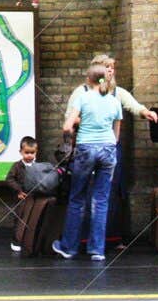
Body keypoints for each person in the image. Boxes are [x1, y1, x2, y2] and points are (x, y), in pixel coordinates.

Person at [65, 52, 157, 244]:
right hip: (93, 145)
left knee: (111, 192)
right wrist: (94, 119)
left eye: (112, 68)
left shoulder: (117, 93)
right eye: (107, 67)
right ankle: (87, 240)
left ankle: (109, 237)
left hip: (106, 147)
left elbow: (133, 105)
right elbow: (70, 118)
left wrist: (145, 112)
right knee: (90, 192)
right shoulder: (81, 92)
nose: (110, 71)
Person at [52, 60, 123, 261]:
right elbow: (116, 135)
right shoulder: (114, 101)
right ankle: (97, 250)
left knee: (77, 199)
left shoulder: (83, 98)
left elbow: (67, 126)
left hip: (86, 149)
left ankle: (69, 247)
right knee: (101, 201)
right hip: (108, 150)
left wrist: (80, 125)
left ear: (88, 79)